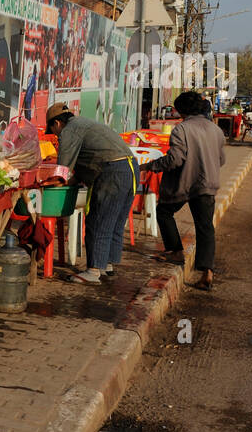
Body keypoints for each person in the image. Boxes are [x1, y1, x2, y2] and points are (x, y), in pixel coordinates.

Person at [45, 102, 136, 285]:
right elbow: (80, 169)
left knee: (98, 221)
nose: (55, 135)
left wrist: (48, 184)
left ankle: (93, 271)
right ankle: (107, 265)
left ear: (57, 123)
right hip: (130, 167)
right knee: (114, 221)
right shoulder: (85, 123)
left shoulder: (69, 130)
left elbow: (63, 169)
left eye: (53, 130)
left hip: (111, 171)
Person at [146, 91, 226, 290]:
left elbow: (175, 159)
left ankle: (175, 250)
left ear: (181, 110)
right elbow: (221, 160)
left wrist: (151, 166)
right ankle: (207, 272)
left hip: (185, 184)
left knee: (164, 212)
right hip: (207, 184)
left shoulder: (181, 129)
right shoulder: (215, 129)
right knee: (205, 227)